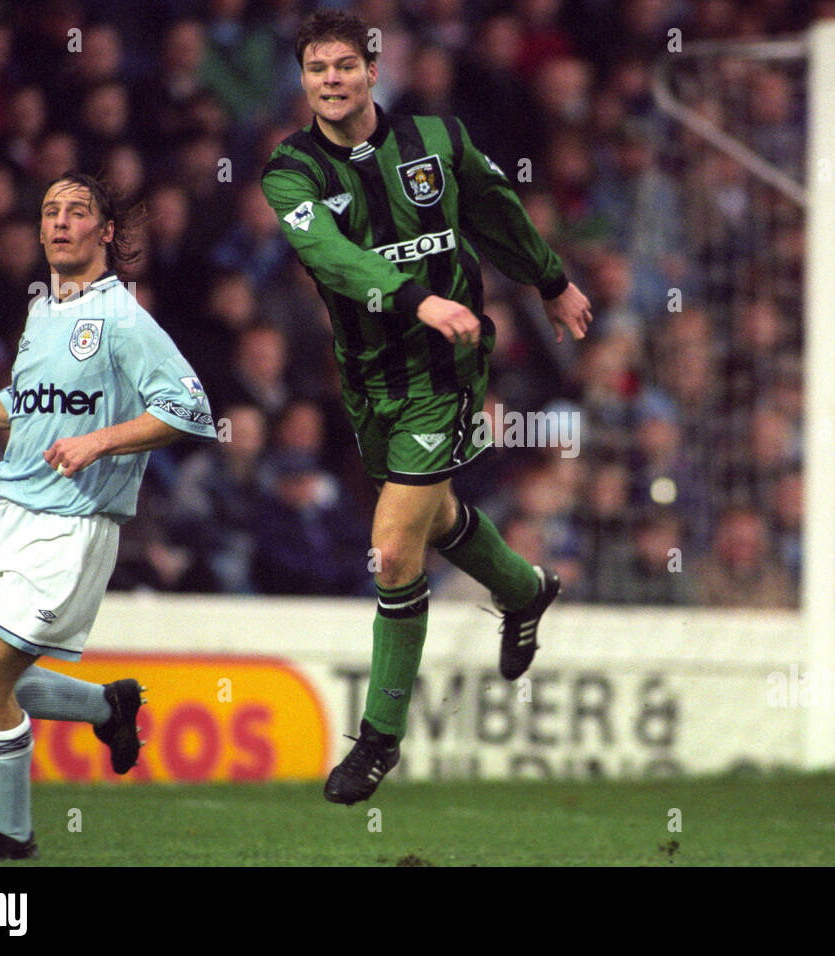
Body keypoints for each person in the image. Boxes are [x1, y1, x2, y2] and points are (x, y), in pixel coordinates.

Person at [261, 11, 592, 805]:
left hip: (446, 370)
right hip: (368, 378)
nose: (331, 80)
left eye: (345, 65)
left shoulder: (438, 142)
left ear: (374, 72)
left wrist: (549, 280)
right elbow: (331, 259)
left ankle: (378, 738)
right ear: (305, 81)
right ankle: (522, 589)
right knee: (433, 519)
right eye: (317, 69)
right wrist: (412, 298)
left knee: (394, 548)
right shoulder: (289, 171)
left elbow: (495, 210)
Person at [0, 173, 217, 861]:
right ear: (39, 232)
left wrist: (100, 439)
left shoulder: (123, 318)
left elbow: (191, 410)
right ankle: (109, 708)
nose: (61, 222)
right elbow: (20, 404)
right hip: (8, 519)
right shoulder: (45, 312)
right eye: (50, 212)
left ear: (107, 233)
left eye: (78, 212)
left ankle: (9, 838)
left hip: (70, 527)